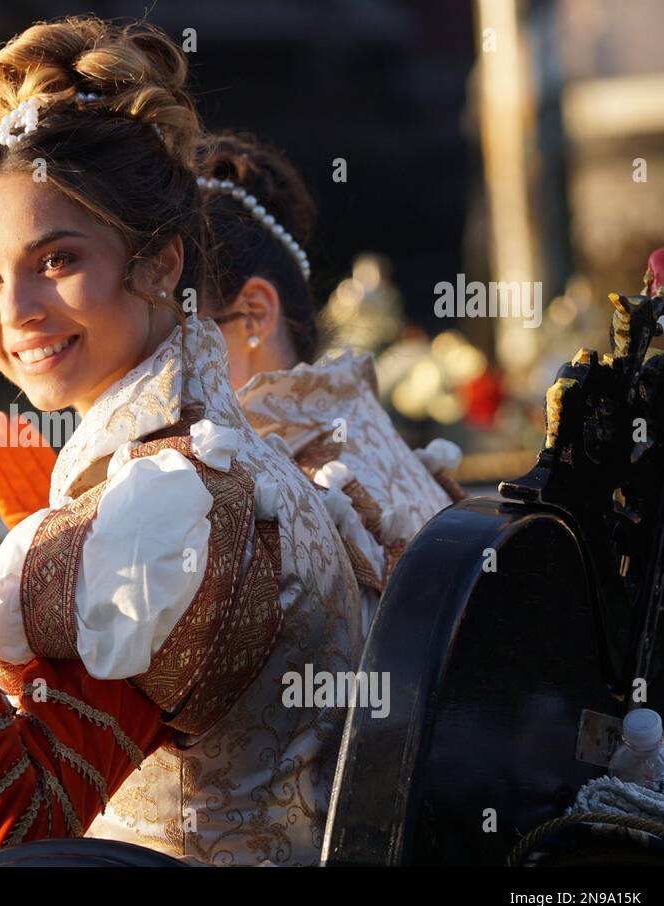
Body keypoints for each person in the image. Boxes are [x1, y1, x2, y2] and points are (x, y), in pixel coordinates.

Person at [0, 17, 361, 866]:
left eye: (58, 260)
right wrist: (58, 529)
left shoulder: (171, 505)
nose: (16, 312)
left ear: (159, 266)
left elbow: (15, 843)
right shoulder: (225, 460)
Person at [196, 131, 464, 619]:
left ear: (254, 314)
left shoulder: (297, 480)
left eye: (179, 333)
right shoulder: (351, 426)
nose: (159, 370)